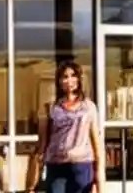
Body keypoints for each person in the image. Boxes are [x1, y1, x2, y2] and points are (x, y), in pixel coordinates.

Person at [28, 60, 104, 193]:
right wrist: (32, 183)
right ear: (58, 81)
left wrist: (100, 183)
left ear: (79, 79)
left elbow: (97, 146)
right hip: (56, 167)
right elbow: (42, 145)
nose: (69, 80)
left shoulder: (88, 107)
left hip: (82, 166)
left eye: (73, 75)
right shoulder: (50, 108)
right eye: (65, 76)